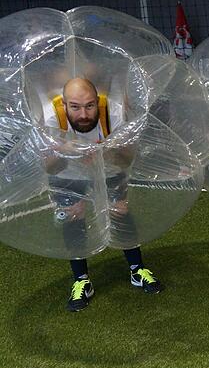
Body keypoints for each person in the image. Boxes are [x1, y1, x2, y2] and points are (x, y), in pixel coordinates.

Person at [44, 78, 164, 312]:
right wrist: (66, 152)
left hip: (108, 166)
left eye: (89, 105)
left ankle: (137, 270)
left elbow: (127, 159)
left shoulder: (112, 113)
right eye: (75, 107)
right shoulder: (52, 119)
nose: (83, 114)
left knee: (119, 209)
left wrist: (106, 152)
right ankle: (81, 280)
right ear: (65, 105)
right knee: (72, 215)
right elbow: (49, 168)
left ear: (97, 101)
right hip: (69, 170)